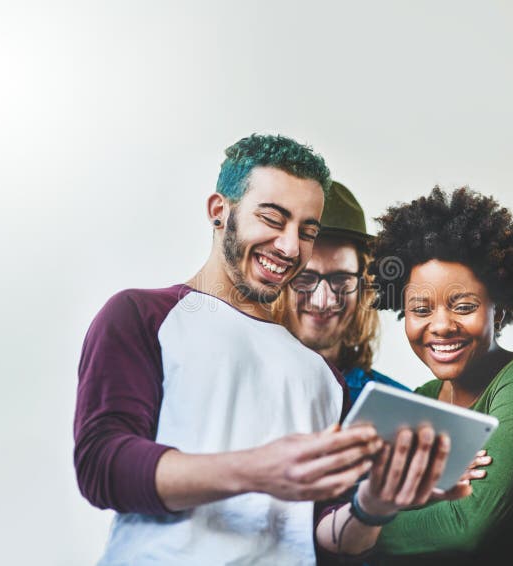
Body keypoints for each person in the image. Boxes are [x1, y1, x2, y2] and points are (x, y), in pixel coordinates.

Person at [74, 134, 386, 565]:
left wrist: (373, 507)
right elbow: (103, 464)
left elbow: (319, 529)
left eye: (306, 231)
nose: (290, 247)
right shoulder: (140, 315)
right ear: (219, 211)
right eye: (273, 219)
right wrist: (258, 470)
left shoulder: (323, 377)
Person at [338, 186, 513, 564]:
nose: (442, 326)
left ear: (498, 310)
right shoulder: (424, 396)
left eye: (464, 306)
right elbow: (356, 491)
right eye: (421, 309)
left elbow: (465, 526)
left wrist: (349, 529)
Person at [273, 180, 409, 403]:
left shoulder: (397, 406)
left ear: (364, 286)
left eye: (341, 279)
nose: (322, 300)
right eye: (305, 278)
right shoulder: (241, 387)